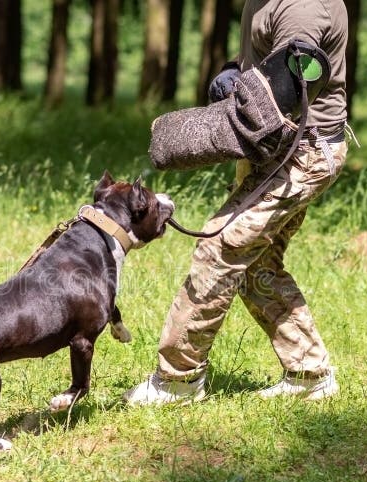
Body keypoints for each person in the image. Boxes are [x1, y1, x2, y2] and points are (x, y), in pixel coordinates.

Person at [123, 0, 351, 405]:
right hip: (276, 146)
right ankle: (309, 373)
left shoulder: (304, 8)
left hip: (303, 152)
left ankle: (177, 380)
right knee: (256, 261)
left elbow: (283, 93)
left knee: (221, 245)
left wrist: (197, 135)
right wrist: (235, 69)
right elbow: (262, 55)